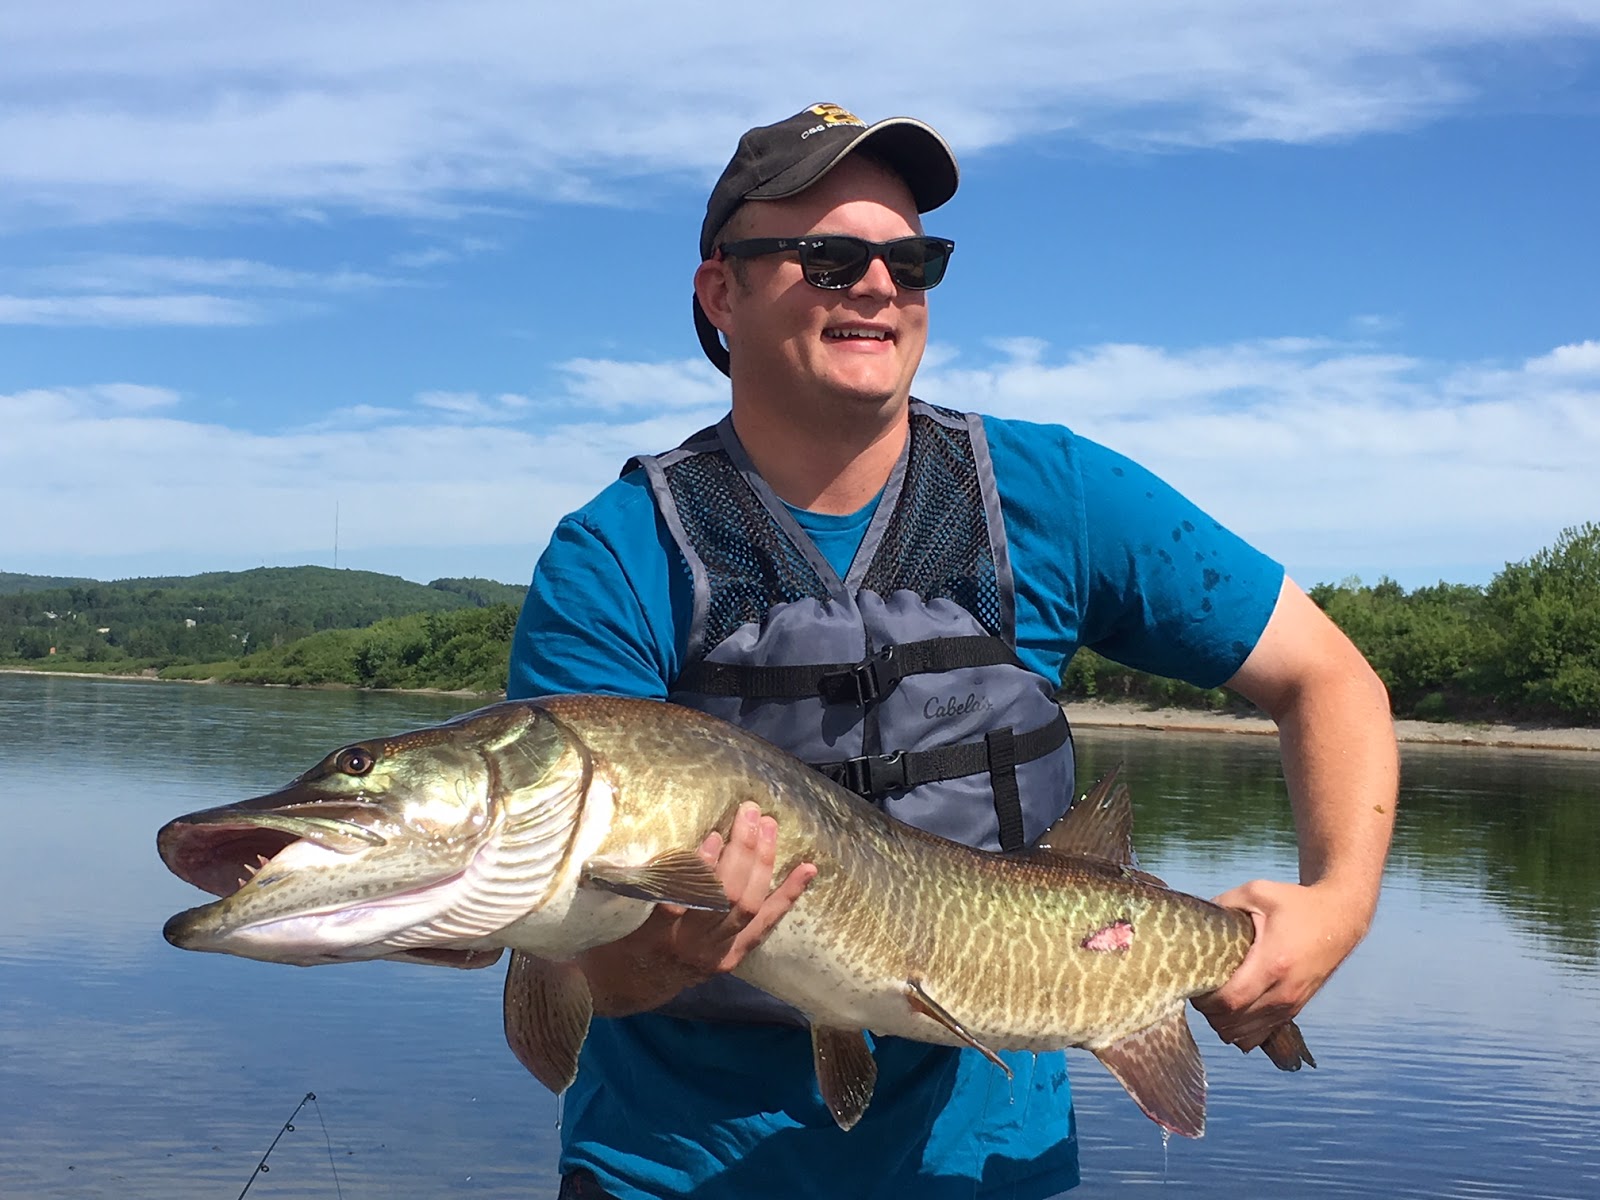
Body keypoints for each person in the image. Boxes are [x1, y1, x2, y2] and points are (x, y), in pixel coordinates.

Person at [506, 102, 1398, 1200]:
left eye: (912, 258)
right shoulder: (615, 554)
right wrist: (640, 953)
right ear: (719, 293)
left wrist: (1338, 903)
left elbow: (1328, 679)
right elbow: (589, 977)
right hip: (671, 1169)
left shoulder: (1055, 493)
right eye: (828, 257)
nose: (877, 285)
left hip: (990, 1172)